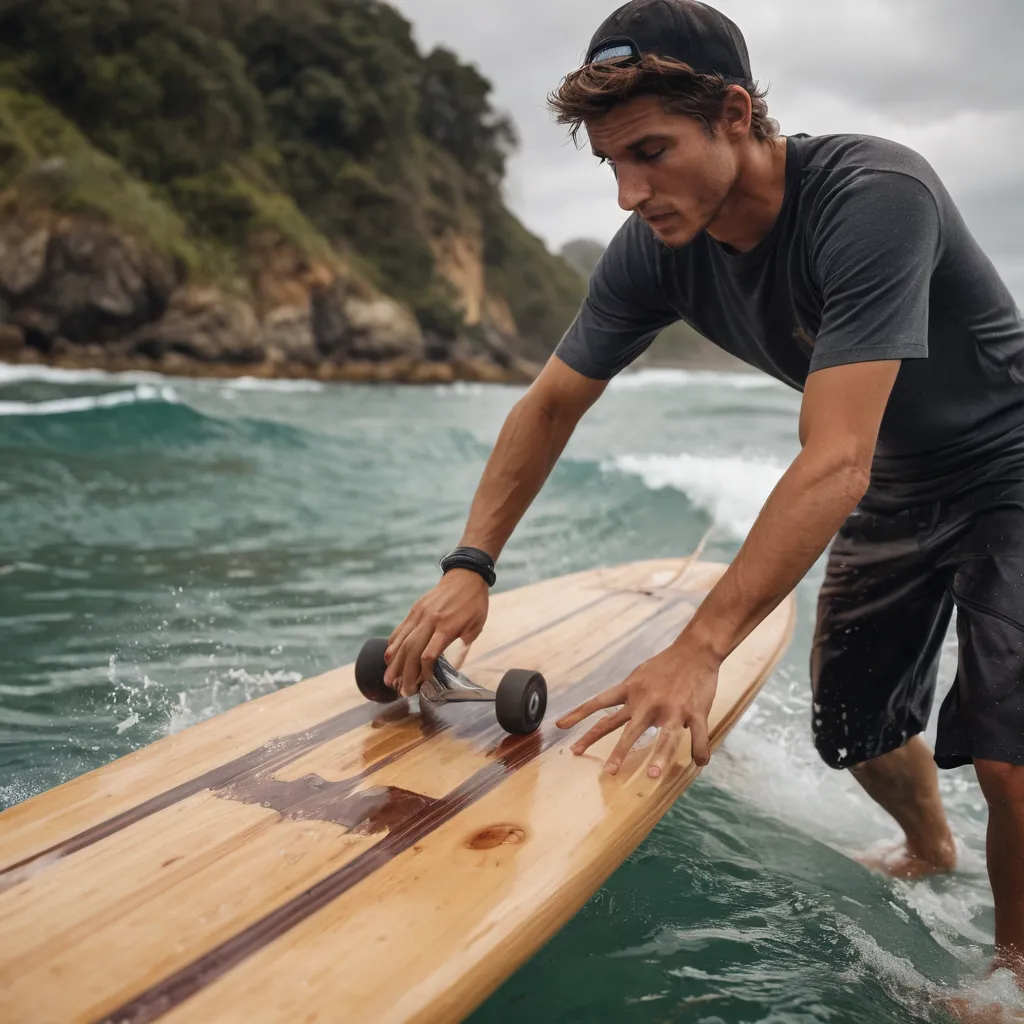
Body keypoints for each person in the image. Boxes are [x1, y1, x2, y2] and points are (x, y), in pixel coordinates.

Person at [383, 0, 1024, 990]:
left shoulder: (875, 196)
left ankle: (1013, 969)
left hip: (1007, 468)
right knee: (853, 728)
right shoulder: (654, 252)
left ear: (734, 113)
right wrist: (470, 565)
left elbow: (833, 458)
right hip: (898, 484)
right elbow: (550, 404)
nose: (629, 193)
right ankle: (931, 847)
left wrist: (699, 648)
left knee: (1006, 745)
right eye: (611, 163)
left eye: (650, 152)